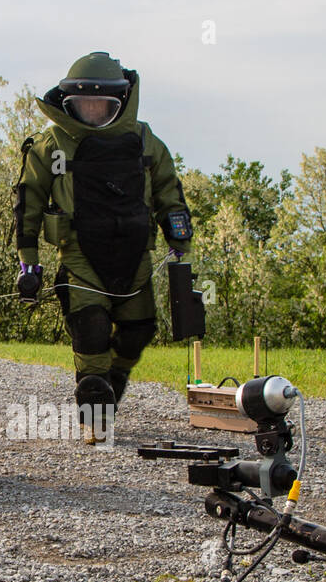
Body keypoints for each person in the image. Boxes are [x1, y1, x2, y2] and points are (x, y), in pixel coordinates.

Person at [12, 51, 193, 444]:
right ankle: (94, 413)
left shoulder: (147, 142)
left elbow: (168, 193)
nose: (92, 113)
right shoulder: (51, 145)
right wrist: (29, 266)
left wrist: (180, 242)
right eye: (84, 106)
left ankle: (109, 385)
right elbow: (27, 205)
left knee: (138, 331)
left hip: (135, 256)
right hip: (79, 255)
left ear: (120, 102)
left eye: (102, 106)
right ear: (68, 103)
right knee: (90, 327)